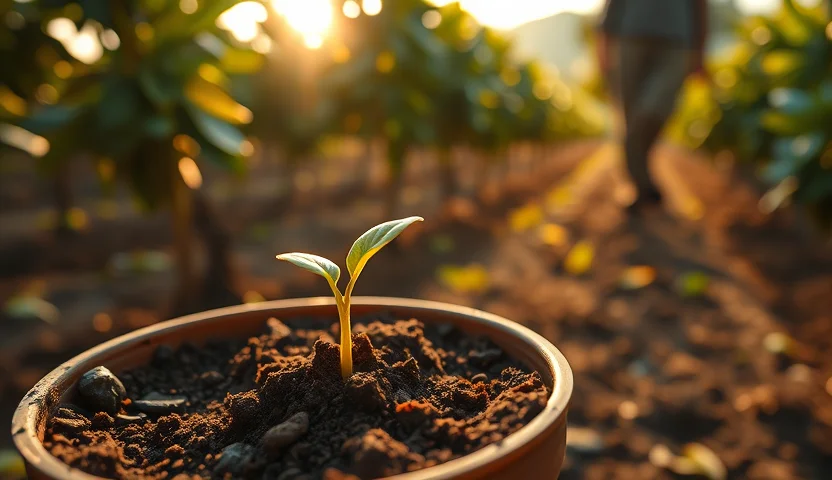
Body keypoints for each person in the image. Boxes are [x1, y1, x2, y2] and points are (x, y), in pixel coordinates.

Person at [597, 0, 708, 210]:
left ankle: (642, 179)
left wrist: (700, 49)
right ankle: (640, 185)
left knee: (654, 109)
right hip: (629, 37)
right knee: (630, 115)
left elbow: (700, 5)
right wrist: (602, 42)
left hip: (677, 42)